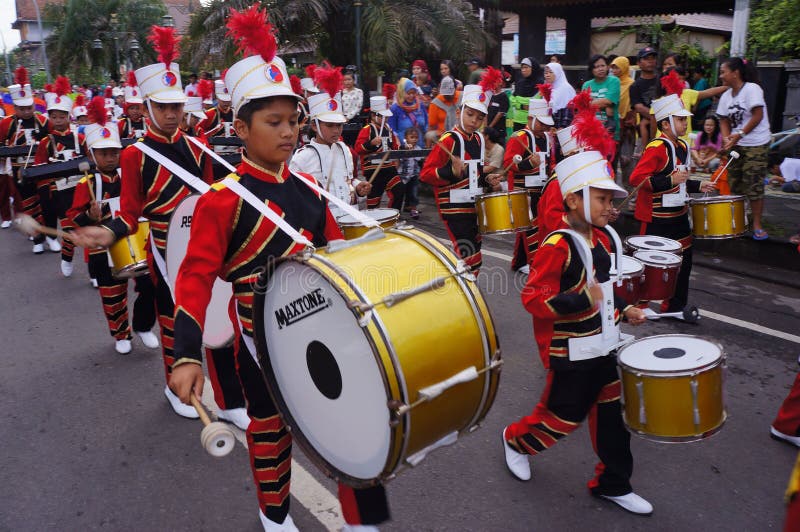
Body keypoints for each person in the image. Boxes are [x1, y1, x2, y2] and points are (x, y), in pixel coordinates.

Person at [167, 8, 391, 530]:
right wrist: (184, 355)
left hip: (328, 329)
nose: (288, 132)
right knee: (270, 428)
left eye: (293, 120)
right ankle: (274, 515)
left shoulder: (308, 189)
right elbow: (195, 281)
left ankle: (363, 520)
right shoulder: (221, 203)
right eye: (274, 122)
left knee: (355, 417)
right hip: (258, 340)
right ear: (241, 128)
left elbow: (335, 257)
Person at [69, 24, 248, 428]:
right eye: (163, 107)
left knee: (219, 323)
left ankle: (232, 400)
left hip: (206, 247)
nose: (171, 114)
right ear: (147, 107)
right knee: (175, 323)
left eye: (177, 106)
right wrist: (109, 231)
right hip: (167, 252)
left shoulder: (197, 145)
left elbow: (212, 196)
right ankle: (175, 389)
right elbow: (131, 213)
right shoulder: (134, 156)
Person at [501, 149, 652, 516]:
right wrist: (581, 299)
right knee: (562, 417)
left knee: (614, 419)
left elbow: (603, 289)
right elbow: (533, 298)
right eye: (600, 198)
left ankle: (613, 483)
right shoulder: (558, 245)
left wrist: (623, 309)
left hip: (603, 345)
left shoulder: (602, 239)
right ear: (572, 200)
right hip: (570, 351)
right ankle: (516, 441)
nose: (608, 204)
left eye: (609, 198)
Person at [67, 96, 158, 354]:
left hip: (135, 240)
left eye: (113, 152)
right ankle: (121, 334)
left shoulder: (131, 175)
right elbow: (74, 216)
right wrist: (90, 217)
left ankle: (142, 326)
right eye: (103, 153)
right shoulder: (87, 184)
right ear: (91, 154)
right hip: (101, 248)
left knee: (149, 285)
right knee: (112, 294)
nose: (109, 158)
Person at [628, 92, 716, 313]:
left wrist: (698, 186)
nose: (685, 123)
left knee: (684, 263)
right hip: (657, 218)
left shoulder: (684, 147)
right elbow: (636, 179)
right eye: (680, 119)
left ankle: (675, 306)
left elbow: (681, 180)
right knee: (649, 263)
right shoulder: (656, 147)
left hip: (679, 215)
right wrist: (668, 180)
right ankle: (641, 305)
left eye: (685, 119)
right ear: (665, 124)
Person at [420, 69, 503, 273]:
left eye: (480, 117)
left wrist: (488, 180)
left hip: (473, 204)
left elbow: (475, 175)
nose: (474, 120)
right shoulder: (448, 139)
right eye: (470, 114)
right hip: (454, 207)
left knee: (472, 255)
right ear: (459, 112)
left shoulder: (479, 139)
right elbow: (426, 174)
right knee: (471, 259)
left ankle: (459, 290)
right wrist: (451, 172)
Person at [290, 63, 371, 219]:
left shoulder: (346, 150)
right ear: (314, 125)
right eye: (330, 125)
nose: (336, 130)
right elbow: (295, 195)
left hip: (350, 217)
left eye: (339, 125)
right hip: (322, 223)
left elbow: (347, 179)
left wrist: (357, 186)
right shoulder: (302, 157)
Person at [716, 56, 772, 240]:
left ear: (735, 73)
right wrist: (726, 140)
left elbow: (757, 115)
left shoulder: (752, 89)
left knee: (754, 184)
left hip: (756, 143)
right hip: (737, 145)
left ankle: (756, 224)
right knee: (735, 184)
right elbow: (724, 120)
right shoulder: (726, 96)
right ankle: (738, 223)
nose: (721, 75)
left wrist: (739, 134)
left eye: (724, 72)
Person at [504, 93, 556, 274]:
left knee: (530, 226)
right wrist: (527, 164)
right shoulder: (519, 137)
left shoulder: (547, 139)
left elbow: (551, 163)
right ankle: (535, 264)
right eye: (541, 123)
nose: (544, 127)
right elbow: (508, 164)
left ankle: (518, 262)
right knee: (531, 228)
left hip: (540, 189)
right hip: (522, 191)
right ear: (531, 118)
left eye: (546, 124)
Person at [35, 76, 82, 277]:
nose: (58, 120)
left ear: (69, 117)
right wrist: (47, 194)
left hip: (81, 190)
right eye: (54, 117)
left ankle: (97, 271)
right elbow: (39, 169)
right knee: (70, 231)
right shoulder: (46, 142)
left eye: (62, 116)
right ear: (50, 119)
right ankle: (67, 257)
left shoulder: (80, 139)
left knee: (90, 228)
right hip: (60, 194)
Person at [0, 67, 50, 251]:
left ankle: (47, 234)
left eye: (29, 108)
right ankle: (36, 236)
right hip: (18, 169)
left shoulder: (43, 121)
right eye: (22, 109)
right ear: (15, 108)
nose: (27, 112)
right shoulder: (6, 123)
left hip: (42, 168)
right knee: (27, 202)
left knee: (45, 201)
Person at [355, 93, 404, 210]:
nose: (385, 119)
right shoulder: (367, 129)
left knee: (399, 190)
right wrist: (371, 143)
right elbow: (358, 148)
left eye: (386, 117)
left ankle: (393, 216)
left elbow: (394, 147)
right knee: (374, 199)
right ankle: (374, 220)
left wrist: (403, 149)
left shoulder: (388, 129)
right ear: (373, 115)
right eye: (382, 116)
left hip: (389, 167)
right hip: (373, 170)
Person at [583, 55, 620, 144]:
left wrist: (590, 104)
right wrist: (603, 104)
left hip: (609, 130)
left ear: (607, 67)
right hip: (591, 131)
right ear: (591, 70)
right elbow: (583, 107)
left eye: (603, 66)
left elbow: (608, 101)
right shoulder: (586, 85)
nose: (600, 69)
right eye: (596, 67)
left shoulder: (614, 81)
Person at [630, 47, 659, 151]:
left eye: (652, 58)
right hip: (645, 134)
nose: (650, 61)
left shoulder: (662, 80)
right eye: (646, 59)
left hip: (665, 130)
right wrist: (659, 116)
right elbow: (639, 107)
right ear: (639, 62)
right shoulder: (635, 86)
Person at [610, 56, 636, 171]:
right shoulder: (611, 83)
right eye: (613, 68)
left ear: (625, 68)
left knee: (626, 159)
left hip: (627, 125)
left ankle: (628, 187)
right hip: (614, 124)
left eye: (617, 68)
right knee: (612, 158)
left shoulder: (632, 84)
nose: (614, 71)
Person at [388, 78, 427, 148]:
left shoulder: (420, 105)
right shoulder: (395, 108)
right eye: (408, 93)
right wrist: (399, 144)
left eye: (413, 93)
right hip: (404, 148)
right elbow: (392, 130)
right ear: (402, 92)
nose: (411, 96)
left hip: (420, 146)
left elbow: (427, 124)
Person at [425, 76, 461, 146]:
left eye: (450, 94)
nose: (447, 96)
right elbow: (431, 126)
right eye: (445, 94)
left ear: (455, 88)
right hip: (443, 136)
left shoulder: (463, 97)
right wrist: (428, 148)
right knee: (429, 135)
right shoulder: (435, 103)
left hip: (462, 133)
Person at [510, 57, 542, 132]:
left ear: (533, 68)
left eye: (526, 67)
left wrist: (519, 100)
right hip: (517, 120)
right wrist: (522, 106)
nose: (523, 70)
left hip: (532, 122)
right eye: (522, 68)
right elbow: (512, 99)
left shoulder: (540, 84)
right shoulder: (520, 82)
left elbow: (536, 102)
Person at [399, 126, 424, 219]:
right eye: (412, 137)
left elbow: (419, 160)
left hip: (414, 175)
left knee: (413, 193)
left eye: (416, 137)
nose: (414, 139)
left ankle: (413, 209)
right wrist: (405, 150)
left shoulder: (418, 149)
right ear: (406, 138)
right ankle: (399, 209)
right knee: (401, 193)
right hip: (403, 175)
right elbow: (399, 160)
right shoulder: (402, 148)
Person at [545, 62, 576, 129]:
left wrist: (562, 127)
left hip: (563, 129)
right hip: (551, 128)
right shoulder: (549, 88)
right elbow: (549, 109)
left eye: (551, 72)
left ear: (557, 73)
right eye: (546, 73)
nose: (547, 75)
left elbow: (569, 110)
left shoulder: (566, 88)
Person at [118, 71, 147, 139]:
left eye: (137, 108)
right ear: (127, 109)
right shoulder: (122, 124)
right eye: (132, 108)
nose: (135, 111)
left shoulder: (148, 123)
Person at [486, 70, 510, 143]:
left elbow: (500, 113)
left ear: (500, 82)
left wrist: (490, 126)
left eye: (494, 81)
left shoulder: (503, 96)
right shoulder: (490, 95)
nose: (492, 84)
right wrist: (485, 127)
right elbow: (486, 111)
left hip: (499, 131)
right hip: (489, 130)